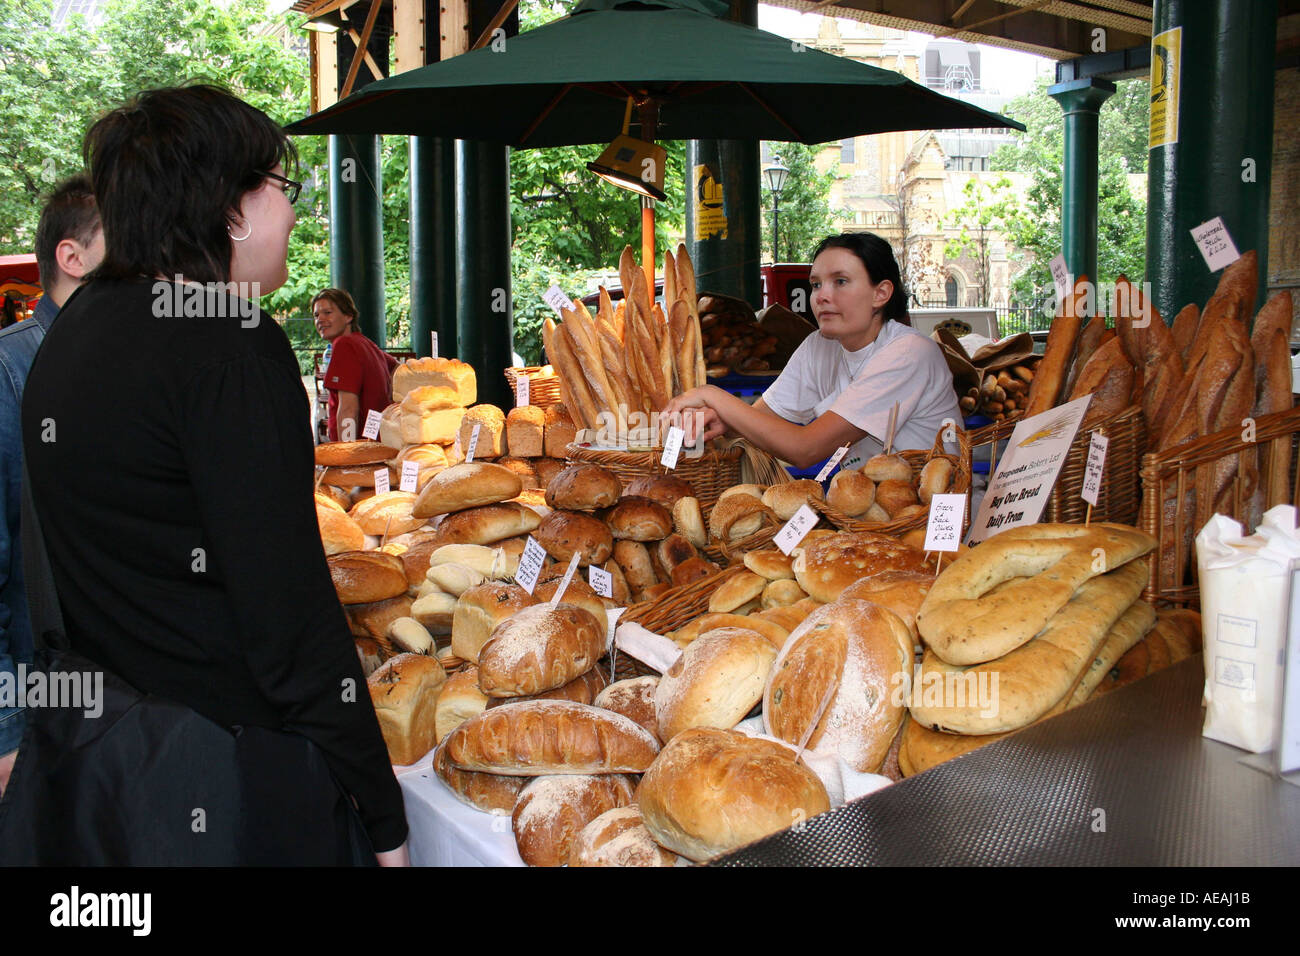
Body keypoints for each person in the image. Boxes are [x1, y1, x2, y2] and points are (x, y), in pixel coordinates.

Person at [16, 85, 408, 864]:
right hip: (231, 780)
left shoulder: (74, 329)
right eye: (279, 188)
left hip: (110, 764)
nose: (294, 214)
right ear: (227, 208)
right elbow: (286, 614)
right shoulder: (227, 344)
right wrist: (382, 817)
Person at [664, 232, 960, 471]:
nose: (822, 296)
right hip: (864, 517)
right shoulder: (820, 345)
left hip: (927, 523)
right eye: (816, 284)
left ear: (880, 293)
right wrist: (722, 422)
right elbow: (759, 419)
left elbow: (806, 449)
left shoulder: (909, 353)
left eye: (840, 282)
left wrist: (712, 395)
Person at [0, 174, 103, 799]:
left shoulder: (111, 358)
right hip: (44, 701)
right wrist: (7, 732)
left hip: (113, 701)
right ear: (72, 257)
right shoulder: (11, 367)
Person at [313, 287, 397, 442]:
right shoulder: (367, 344)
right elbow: (399, 367)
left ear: (348, 316)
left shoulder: (344, 344)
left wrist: (348, 453)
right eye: (316, 315)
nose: (320, 319)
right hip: (379, 443)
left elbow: (348, 410)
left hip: (360, 452)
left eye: (328, 313)